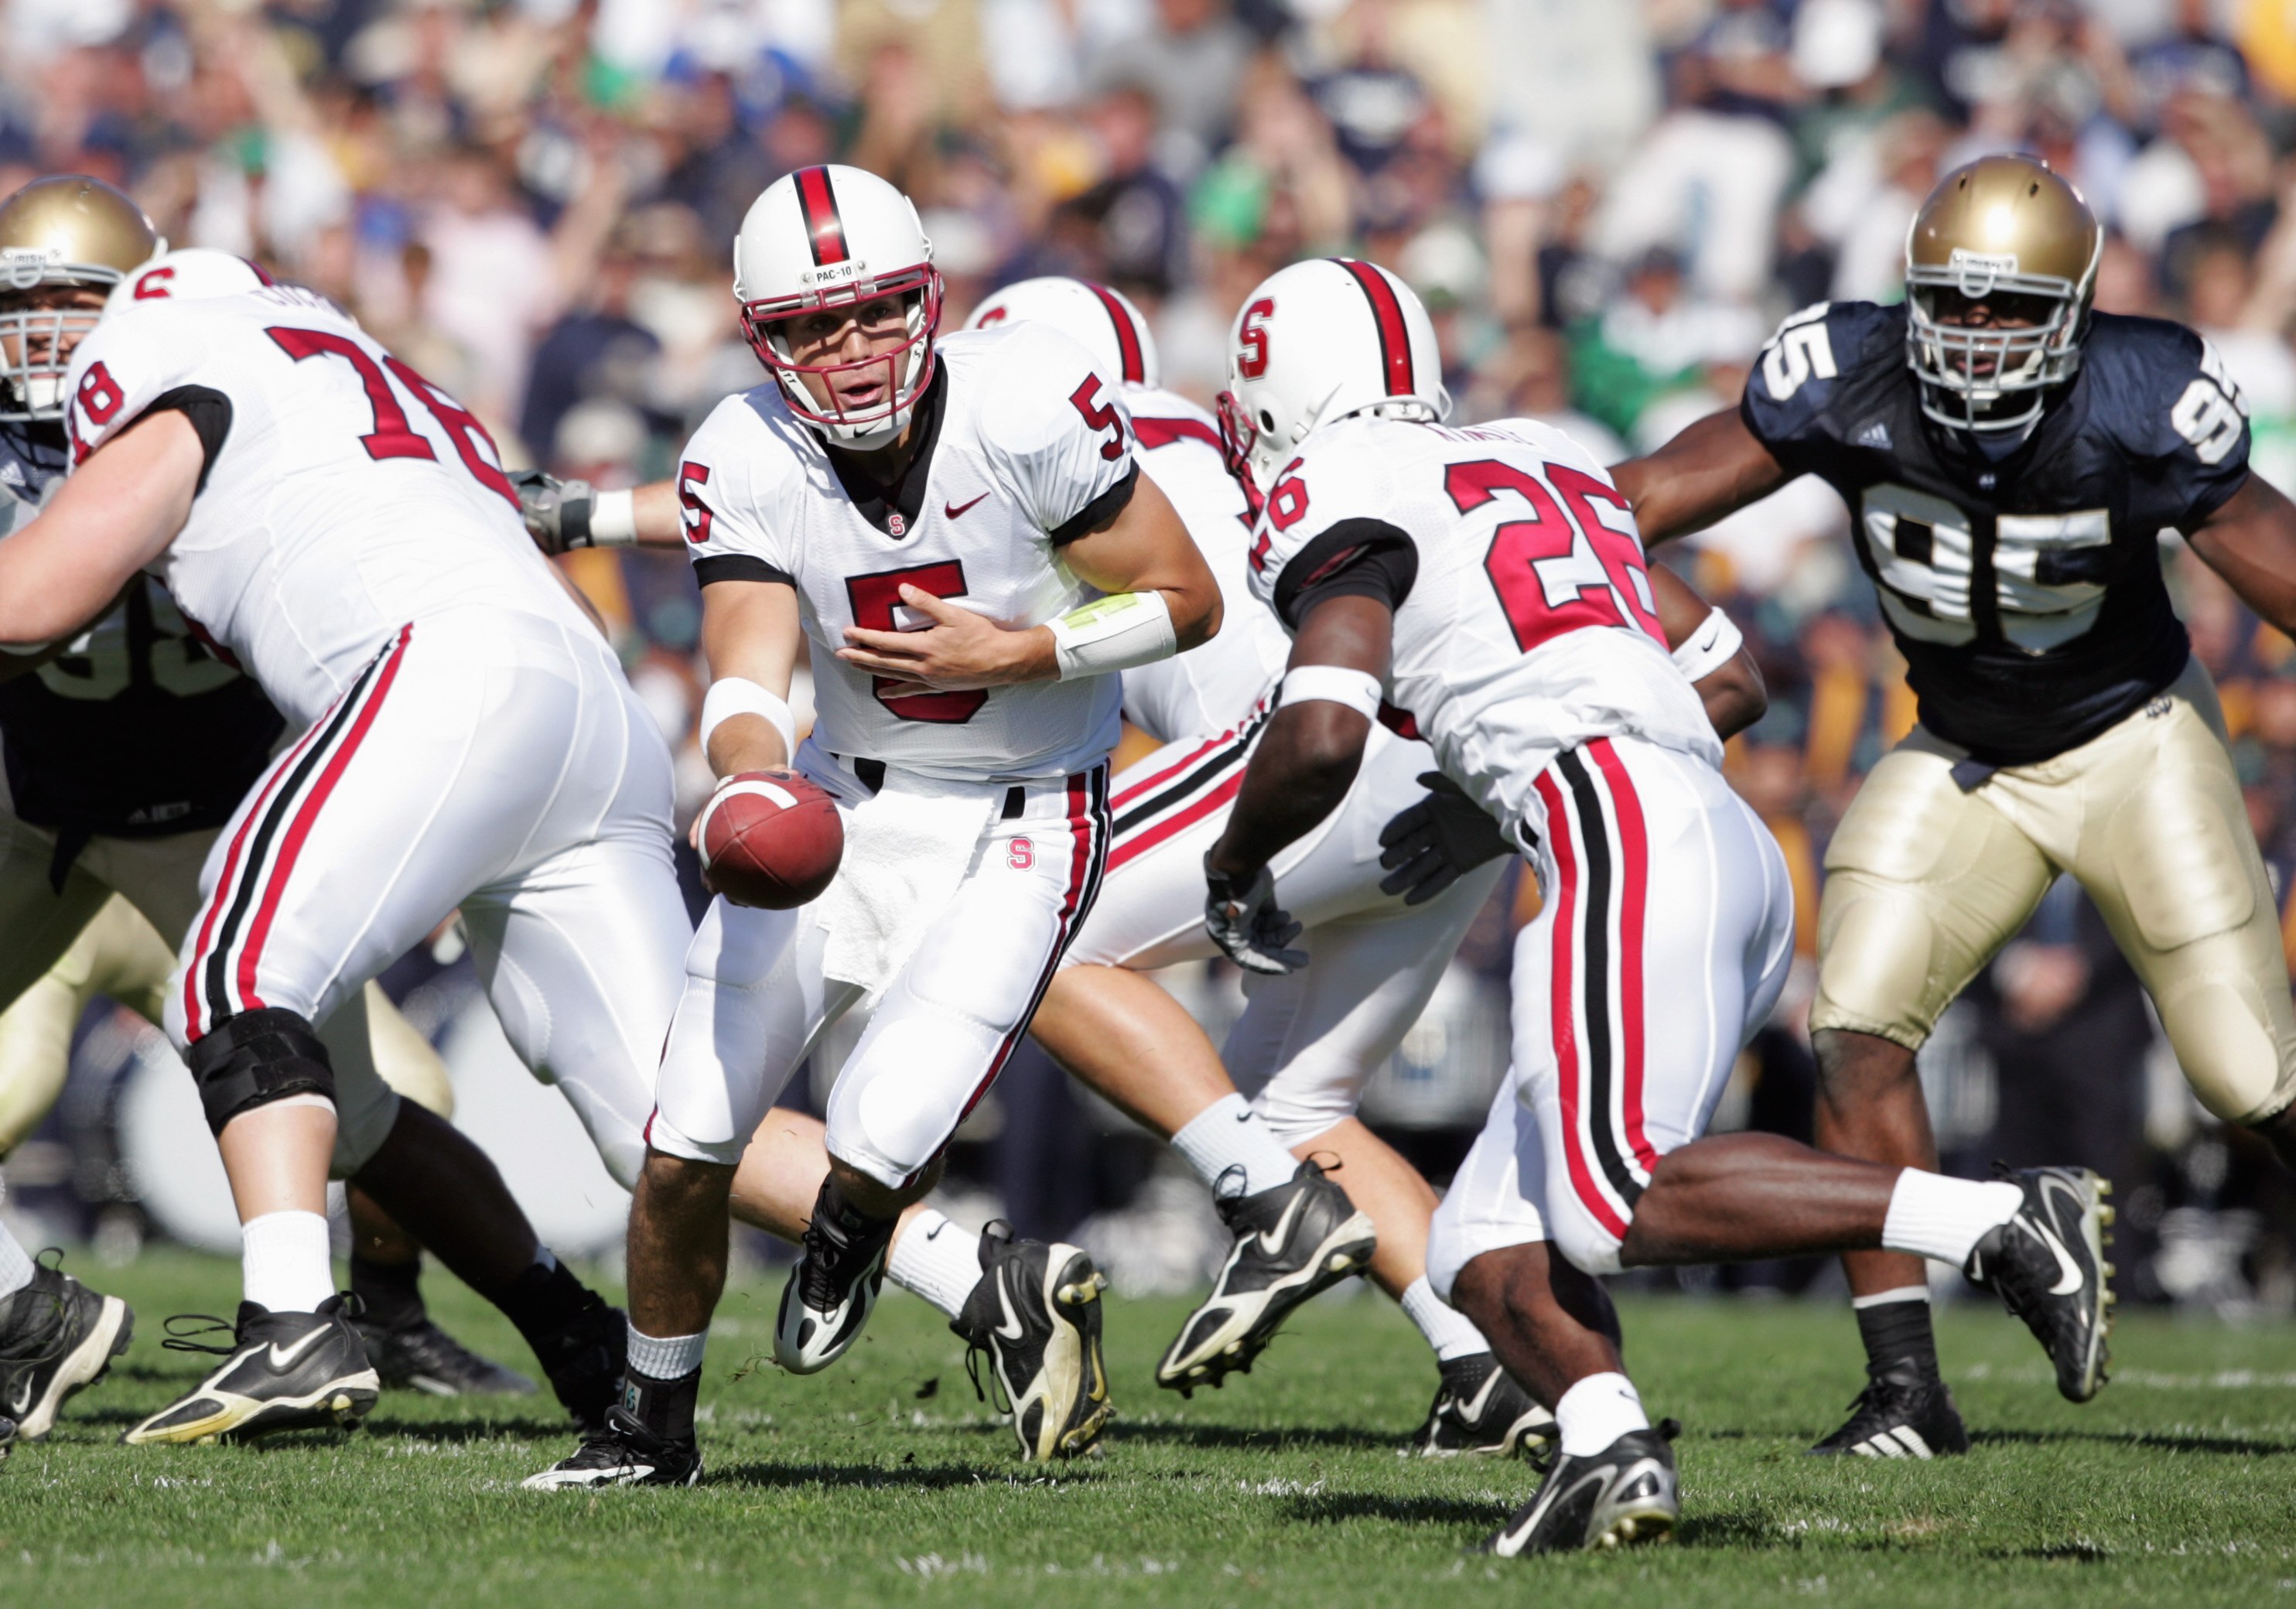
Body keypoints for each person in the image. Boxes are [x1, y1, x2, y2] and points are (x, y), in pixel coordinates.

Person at [1204, 255, 2112, 1553]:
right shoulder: (1538, 454)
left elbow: (1321, 734)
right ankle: (1606, 1447)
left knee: (1612, 1197)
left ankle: (2002, 1219)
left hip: (1610, 820)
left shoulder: (1335, 478)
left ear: (1279, 390)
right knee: (1481, 1245)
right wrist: (1494, 789)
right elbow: (1731, 676)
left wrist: (1235, 866)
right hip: (1709, 829)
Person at [524, 167, 1221, 1490]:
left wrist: (1026, 651)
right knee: (684, 1137)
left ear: (928, 302)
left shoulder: (1024, 405)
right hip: (845, 799)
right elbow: (748, 670)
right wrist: (748, 782)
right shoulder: (744, 451)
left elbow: (1188, 600)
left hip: (1027, 815)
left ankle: (850, 1230)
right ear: (760, 337)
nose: (846, 348)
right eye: (807, 326)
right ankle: (647, 1429)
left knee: (881, 1127)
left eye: (873, 312)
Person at [1613, 155, 2296, 1460]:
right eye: (1955, 303)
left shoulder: (2142, 393)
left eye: (2011, 308)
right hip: (1964, 750)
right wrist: (1509, 538)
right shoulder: (1847, 374)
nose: (1978, 333)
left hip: (2135, 742)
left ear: (2074, 312)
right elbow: (1634, 502)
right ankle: (1909, 1394)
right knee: (1856, 1029)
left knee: (2247, 1073)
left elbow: (2274, 557)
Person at [0, 233, 692, 1445]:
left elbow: (34, 599)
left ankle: (527, 1320)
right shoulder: (277, 386)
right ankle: (29, 1311)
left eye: (74, 304)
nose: (47, 337)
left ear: (133, 313)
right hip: (35, 815)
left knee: (367, 1113)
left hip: (213, 822)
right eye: (25, 307)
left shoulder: (197, 404)